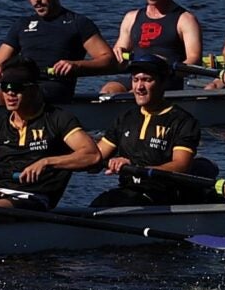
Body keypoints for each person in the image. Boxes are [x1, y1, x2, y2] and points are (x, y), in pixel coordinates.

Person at [0, 61, 101, 212]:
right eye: (5, 87)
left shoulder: (57, 119)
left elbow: (92, 155)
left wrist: (47, 162)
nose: (10, 93)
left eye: (16, 87)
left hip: (34, 197)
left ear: (33, 89)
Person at [88, 55, 213, 209]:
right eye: (135, 80)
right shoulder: (126, 118)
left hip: (162, 195)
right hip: (128, 191)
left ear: (163, 83)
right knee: (98, 205)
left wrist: (135, 167)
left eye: (147, 80)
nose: (139, 87)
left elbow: (181, 166)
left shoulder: (183, 121)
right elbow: (94, 158)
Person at [0, 0, 114, 102]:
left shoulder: (78, 23)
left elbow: (108, 60)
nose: (37, 0)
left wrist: (76, 65)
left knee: (20, 94)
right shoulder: (22, 25)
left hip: (55, 86)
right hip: (22, 84)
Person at [101, 0, 201, 94]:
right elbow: (120, 49)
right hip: (138, 79)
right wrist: (118, 53)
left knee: (137, 93)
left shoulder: (186, 20)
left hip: (166, 81)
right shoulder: (131, 18)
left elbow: (194, 59)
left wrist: (165, 69)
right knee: (108, 90)